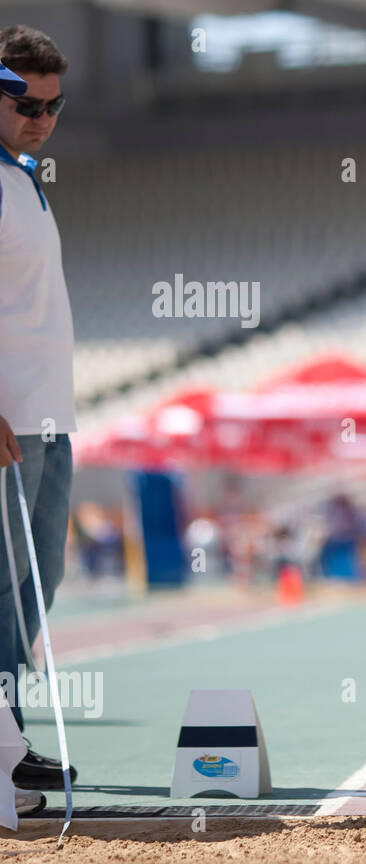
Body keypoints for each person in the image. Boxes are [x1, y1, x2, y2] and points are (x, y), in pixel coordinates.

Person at [0, 26, 79, 791]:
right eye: (23, 102)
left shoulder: (24, 178)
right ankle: (6, 754)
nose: (40, 118)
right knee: (0, 587)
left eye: (53, 106)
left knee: (37, 583)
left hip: (52, 417)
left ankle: (7, 742)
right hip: (10, 419)